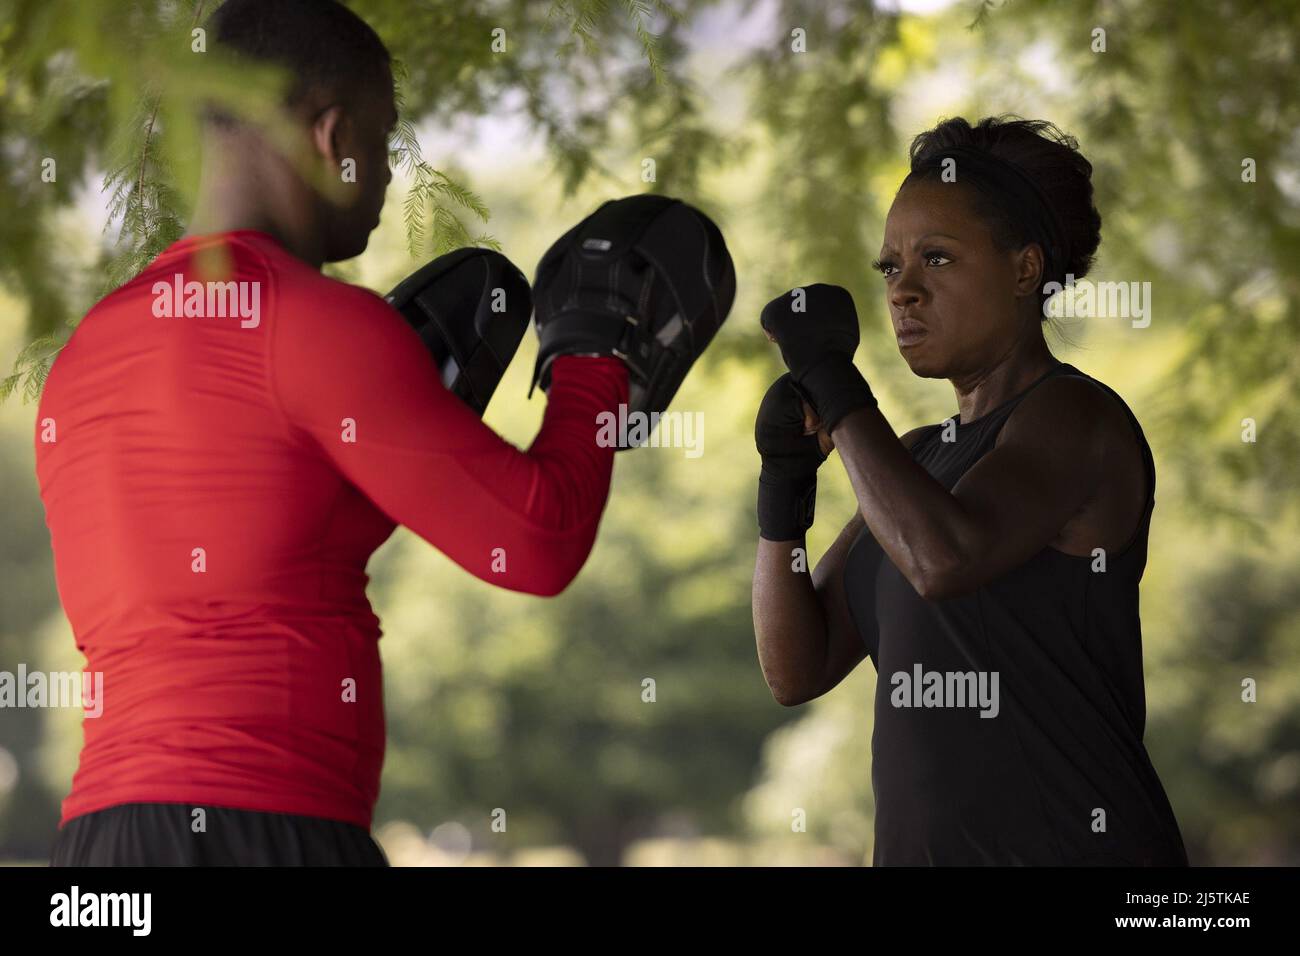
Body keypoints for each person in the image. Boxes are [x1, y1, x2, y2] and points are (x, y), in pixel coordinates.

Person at [38, 0, 638, 866]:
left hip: (99, 848)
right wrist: (595, 354)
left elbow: (248, 550)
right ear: (331, 134)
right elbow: (537, 543)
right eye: (385, 139)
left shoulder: (85, 355)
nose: (391, 173)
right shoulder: (315, 324)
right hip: (266, 830)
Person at [751, 116, 1189, 866]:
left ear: (1025, 270)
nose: (904, 291)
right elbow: (797, 668)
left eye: (937, 259)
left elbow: (944, 559)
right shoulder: (916, 459)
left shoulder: (1077, 418)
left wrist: (838, 387)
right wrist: (784, 486)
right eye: (891, 268)